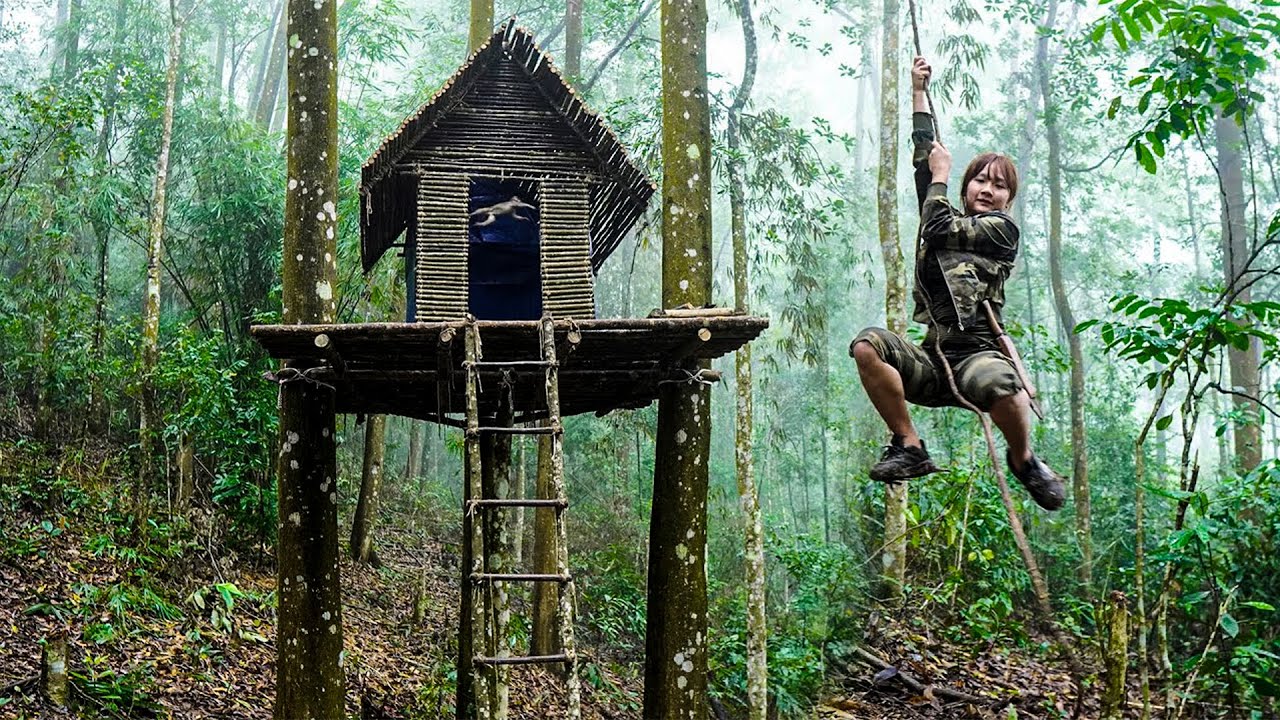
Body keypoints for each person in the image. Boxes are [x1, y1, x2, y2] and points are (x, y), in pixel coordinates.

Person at [848, 55, 1066, 511]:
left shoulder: (1001, 231)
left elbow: (937, 223)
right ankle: (909, 446)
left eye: (999, 185)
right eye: (980, 181)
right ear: (966, 189)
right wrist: (917, 92)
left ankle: (1024, 459)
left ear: (1008, 197)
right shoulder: (943, 207)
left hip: (977, 357)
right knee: (868, 346)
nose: (987, 189)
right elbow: (925, 161)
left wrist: (942, 178)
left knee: (1000, 385)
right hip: (934, 360)